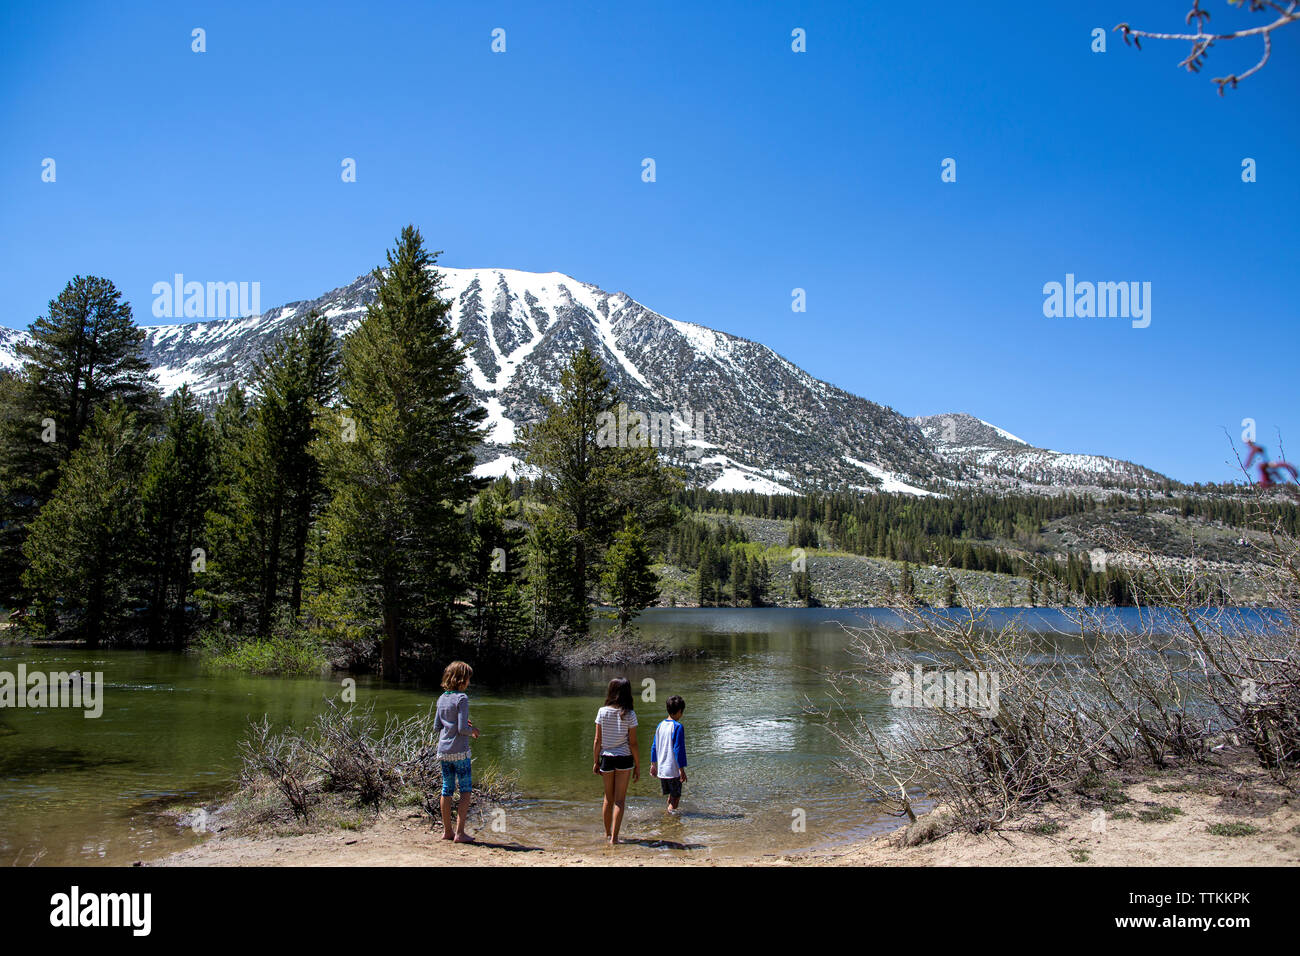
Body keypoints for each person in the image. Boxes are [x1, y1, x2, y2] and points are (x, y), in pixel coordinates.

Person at [437, 660, 480, 843]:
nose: (469, 682)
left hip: (443, 750)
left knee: (446, 789)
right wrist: (473, 731)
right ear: (461, 679)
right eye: (468, 678)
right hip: (460, 751)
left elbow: (437, 725)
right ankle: (460, 833)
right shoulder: (462, 698)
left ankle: (447, 831)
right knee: (465, 790)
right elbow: (462, 729)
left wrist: (453, 723)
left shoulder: (441, 698)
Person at [593, 677, 639, 845]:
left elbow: (597, 740)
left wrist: (596, 761)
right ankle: (615, 838)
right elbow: (633, 743)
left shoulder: (602, 712)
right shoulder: (630, 714)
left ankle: (607, 834)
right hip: (624, 758)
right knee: (620, 800)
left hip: (606, 757)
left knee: (608, 798)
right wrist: (638, 765)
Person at [650, 695, 688, 812]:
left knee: (672, 795)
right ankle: (668, 819)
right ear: (680, 711)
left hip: (662, 770)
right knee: (676, 798)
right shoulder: (678, 727)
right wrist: (681, 770)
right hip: (673, 770)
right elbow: (678, 749)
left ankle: (668, 815)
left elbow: (654, 746)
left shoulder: (660, 725)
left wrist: (653, 764)